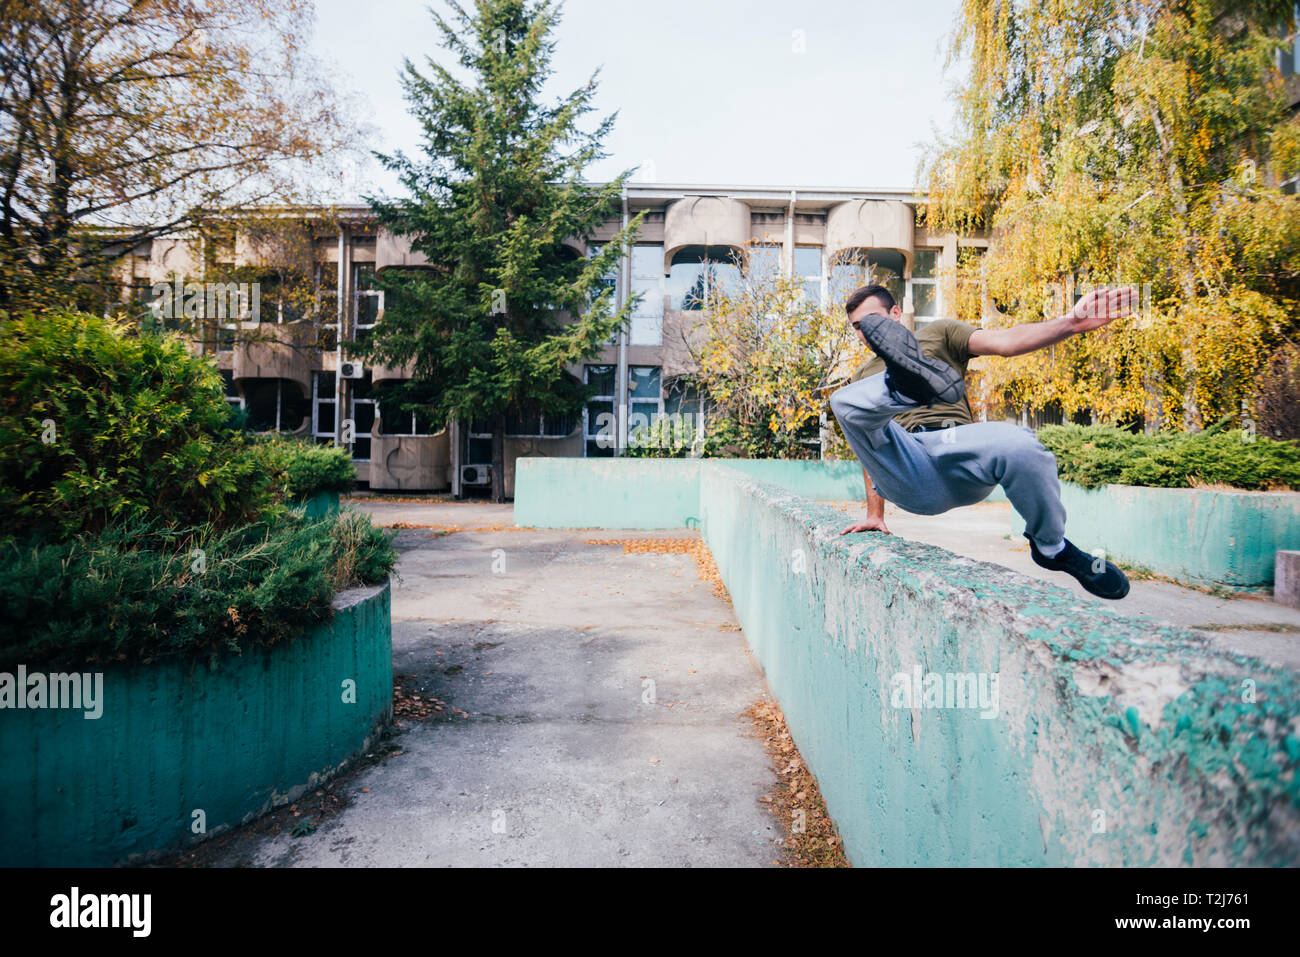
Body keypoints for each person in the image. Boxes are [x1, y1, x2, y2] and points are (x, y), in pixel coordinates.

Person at [828, 282, 1138, 600]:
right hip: (908, 465)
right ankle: (904, 386)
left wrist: (1070, 322)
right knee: (844, 403)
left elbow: (1005, 341)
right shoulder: (862, 378)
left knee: (1019, 443)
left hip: (960, 450)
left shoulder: (939, 333)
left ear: (896, 314)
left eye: (873, 321)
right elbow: (871, 453)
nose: (866, 333)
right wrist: (875, 515)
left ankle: (1052, 547)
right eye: (858, 327)